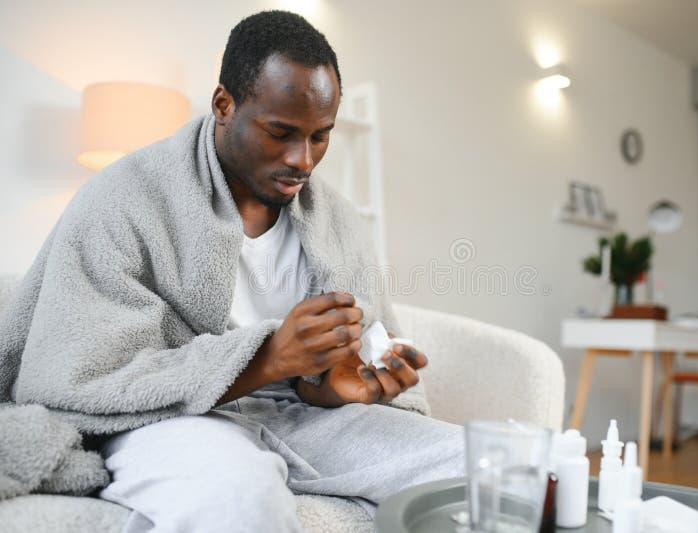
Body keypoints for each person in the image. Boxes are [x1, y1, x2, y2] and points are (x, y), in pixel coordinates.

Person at [72, 10, 464, 532]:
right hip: (172, 420)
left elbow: (323, 371)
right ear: (224, 106)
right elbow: (95, 373)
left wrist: (327, 387)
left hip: (301, 420)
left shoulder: (336, 220)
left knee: (482, 470)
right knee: (239, 499)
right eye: (281, 132)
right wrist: (267, 358)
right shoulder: (126, 198)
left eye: (320, 136)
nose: (303, 160)